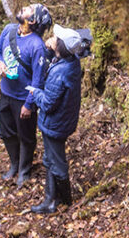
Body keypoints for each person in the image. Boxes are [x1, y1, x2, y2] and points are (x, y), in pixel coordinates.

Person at [27, 23, 92, 216]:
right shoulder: (69, 61)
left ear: (61, 46)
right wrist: (50, 48)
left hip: (55, 124)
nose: (52, 38)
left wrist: (35, 92)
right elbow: (53, 62)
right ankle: (50, 199)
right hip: (60, 122)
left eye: (56, 38)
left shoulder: (61, 72)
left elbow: (47, 103)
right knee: (50, 159)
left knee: (57, 162)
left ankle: (65, 200)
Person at [0, 3, 52, 186]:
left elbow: (38, 80)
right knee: (6, 132)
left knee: (26, 136)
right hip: (6, 93)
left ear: (32, 21)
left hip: (23, 99)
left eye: (30, 9)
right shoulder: (9, 30)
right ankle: (14, 164)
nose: (25, 7)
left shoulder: (37, 46)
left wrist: (29, 104)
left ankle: (24, 171)